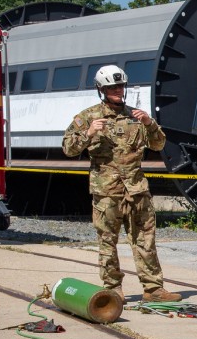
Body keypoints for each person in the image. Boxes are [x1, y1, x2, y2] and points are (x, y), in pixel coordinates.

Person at [62, 65, 181, 302]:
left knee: (145, 239)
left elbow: (158, 145)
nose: (117, 91)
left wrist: (149, 123)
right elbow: (68, 148)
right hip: (107, 191)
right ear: (101, 90)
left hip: (137, 189)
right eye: (111, 87)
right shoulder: (88, 117)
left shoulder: (136, 116)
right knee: (108, 241)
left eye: (120, 86)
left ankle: (153, 289)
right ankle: (113, 288)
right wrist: (88, 133)